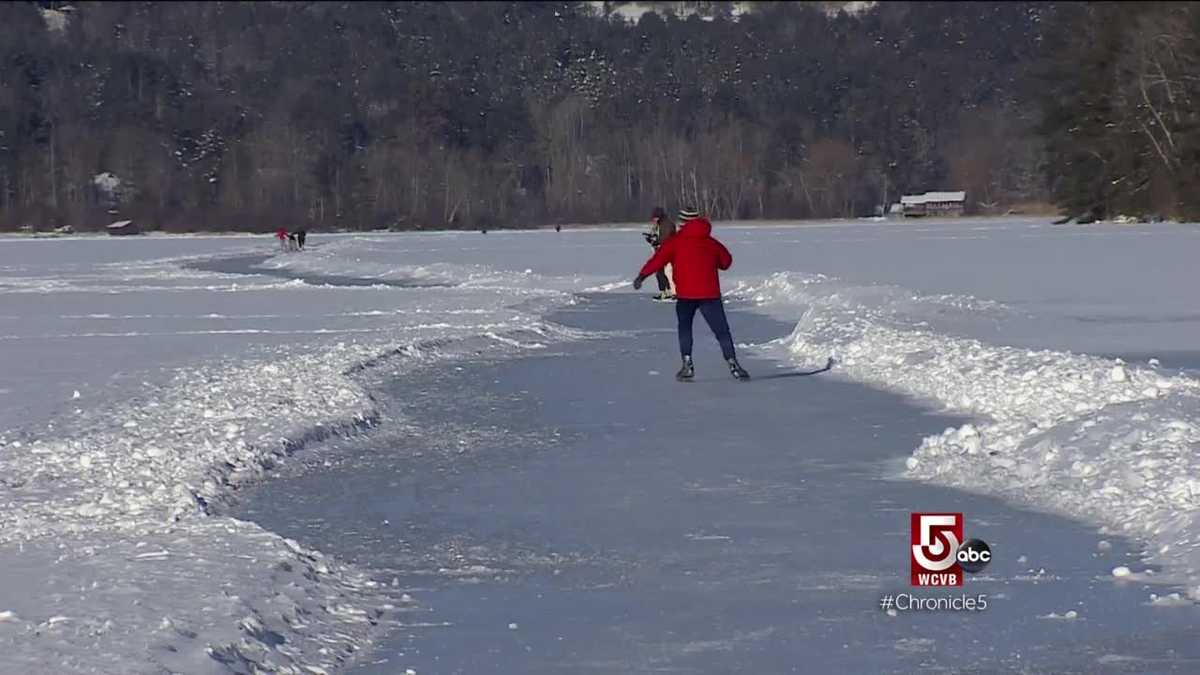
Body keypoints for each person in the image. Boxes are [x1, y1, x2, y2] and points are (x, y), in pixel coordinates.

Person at [633, 207, 750, 381]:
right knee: (721, 331)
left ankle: (687, 364)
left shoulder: (675, 242)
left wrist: (642, 276)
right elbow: (726, 262)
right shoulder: (711, 242)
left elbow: (658, 259)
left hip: (686, 296)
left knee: (685, 328)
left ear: (682, 223)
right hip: (710, 294)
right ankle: (733, 363)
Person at [643, 207, 677, 300]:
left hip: (669, 252)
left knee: (669, 272)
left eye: (656, 217)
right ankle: (665, 292)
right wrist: (651, 239)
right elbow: (657, 236)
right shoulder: (657, 225)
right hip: (659, 251)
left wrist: (657, 241)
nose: (654, 219)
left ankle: (675, 292)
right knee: (659, 272)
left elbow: (666, 238)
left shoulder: (667, 224)